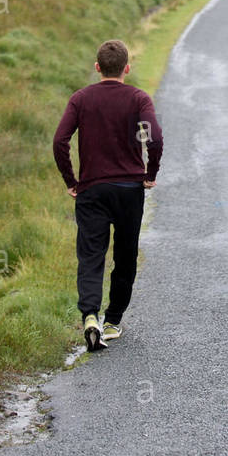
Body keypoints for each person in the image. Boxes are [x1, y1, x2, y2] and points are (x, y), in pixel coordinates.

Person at [53, 38, 163, 352]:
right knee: (125, 256)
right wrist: (150, 173)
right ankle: (113, 321)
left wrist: (71, 180)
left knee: (91, 255)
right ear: (126, 68)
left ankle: (89, 315)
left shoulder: (81, 99)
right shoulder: (138, 99)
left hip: (92, 190)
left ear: (98, 67)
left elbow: (60, 141)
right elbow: (152, 137)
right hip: (129, 190)